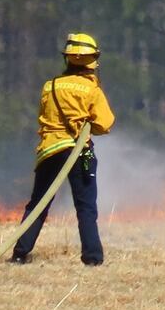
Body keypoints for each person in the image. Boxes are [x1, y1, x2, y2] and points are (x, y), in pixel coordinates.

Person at [11, 32, 117, 266]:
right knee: (86, 206)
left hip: (49, 150)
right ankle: (93, 258)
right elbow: (105, 123)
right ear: (93, 60)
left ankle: (19, 254)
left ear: (67, 59)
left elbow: (43, 117)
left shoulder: (50, 86)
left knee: (38, 203)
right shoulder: (91, 90)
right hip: (82, 153)